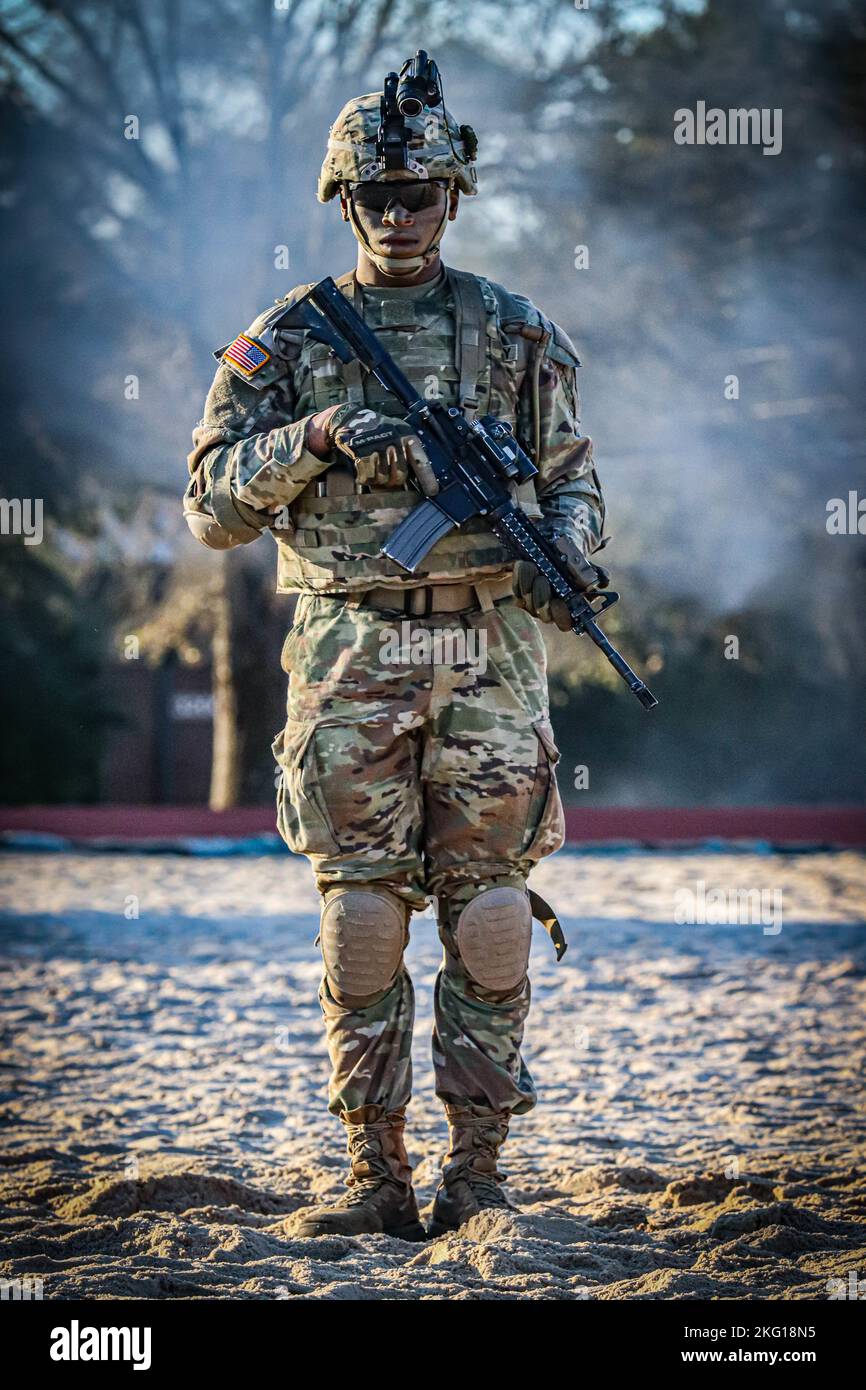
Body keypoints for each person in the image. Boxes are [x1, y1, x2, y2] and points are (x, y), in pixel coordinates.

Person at [182, 54, 605, 1241]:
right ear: (343, 200)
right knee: (362, 921)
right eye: (379, 196)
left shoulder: (514, 330)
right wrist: (313, 437)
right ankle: (373, 1174)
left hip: (487, 654)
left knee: (491, 917)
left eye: (421, 191)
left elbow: (576, 483)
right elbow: (209, 505)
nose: (402, 213)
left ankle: (478, 1173)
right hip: (349, 650)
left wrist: (563, 552)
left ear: (453, 195)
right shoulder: (287, 340)